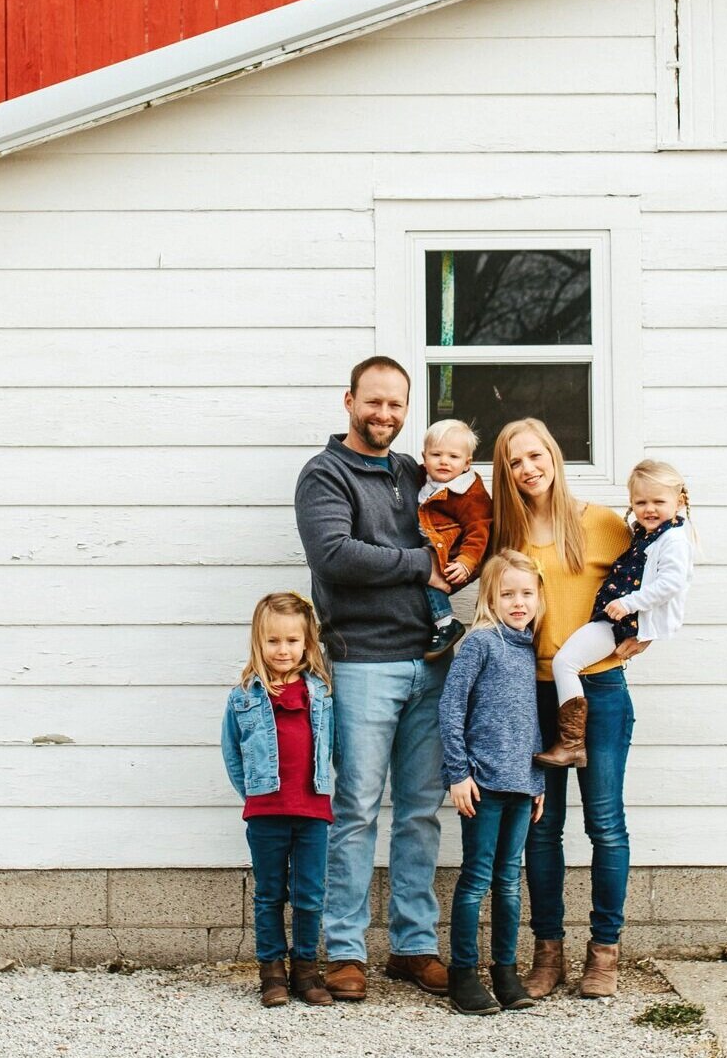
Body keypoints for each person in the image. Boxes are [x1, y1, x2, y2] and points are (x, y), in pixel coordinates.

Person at [292, 355, 449, 1002]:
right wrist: (420, 564)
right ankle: (347, 951)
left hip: (431, 664)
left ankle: (414, 946)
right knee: (355, 809)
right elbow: (336, 556)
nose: (385, 414)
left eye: (396, 405)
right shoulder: (324, 475)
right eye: (374, 401)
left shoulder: (415, 473)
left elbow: (458, 531)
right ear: (350, 400)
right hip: (362, 661)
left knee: (421, 811)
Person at [488, 417, 644, 1001]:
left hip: (600, 690)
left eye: (535, 455)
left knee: (604, 824)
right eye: (513, 462)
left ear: (554, 454)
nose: (528, 468)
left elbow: (656, 579)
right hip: (533, 694)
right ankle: (546, 951)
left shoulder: (601, 523)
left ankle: (604, 951)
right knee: (541, 827)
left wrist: (646, 632)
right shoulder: (506, 533)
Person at [437, 549, 549, 1015]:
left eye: (526, 593)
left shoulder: (531, 649)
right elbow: (450, 708)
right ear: (491, 597)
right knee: (476, 879)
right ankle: (463, 973)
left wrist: (538, 780)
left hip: (521, 788)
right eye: (508, 594)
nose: (518, 602)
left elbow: (532, 725)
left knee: (508, 882)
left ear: (539, 598)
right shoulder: (482, 643)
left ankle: (505, 970)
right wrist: (457, 774)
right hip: (481, 786)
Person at [537, 460, 695, 769]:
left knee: (565, 662)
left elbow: (672, 582)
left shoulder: (674, 540)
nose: (649, 509)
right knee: (566, 661)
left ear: (679, 501)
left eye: (658, 502)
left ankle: (571, 743)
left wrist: (630, 603)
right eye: (641, 502)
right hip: (616, 618)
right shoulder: (648, 534)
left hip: (621, 623)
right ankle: (571, 741)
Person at [221, 591, 336, 1007]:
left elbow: (332, 745)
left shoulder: (319, 694)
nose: (283, 650)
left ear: (306, 643)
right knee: (270, 893)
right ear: (259, 642)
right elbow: (232, 753)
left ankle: (306, 969)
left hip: (312, 811)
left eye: (292, 641)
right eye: (273, 641)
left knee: (310, 894)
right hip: (267, 813)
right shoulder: (244, 697)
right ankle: (271, 972)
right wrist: (255, 795)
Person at [417, 418, 492, 659]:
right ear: (424, 456)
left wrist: (466, 561)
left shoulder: (469, 492)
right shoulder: (423, 479)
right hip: (428, 541)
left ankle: (446, 622)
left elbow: (479, 529)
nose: (444, 461)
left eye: (453, 457)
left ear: (467, 462)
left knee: (429, 575)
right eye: (436, 454)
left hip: (449, 551)